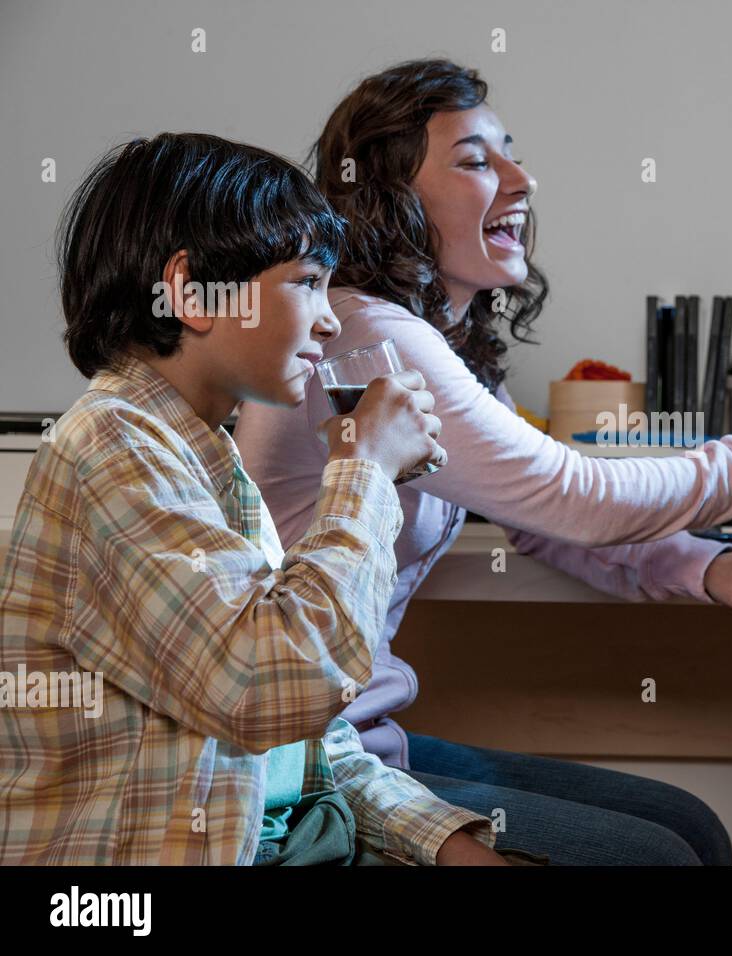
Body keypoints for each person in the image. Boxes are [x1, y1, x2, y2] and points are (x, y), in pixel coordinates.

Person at [234, 59, 732, 866]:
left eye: (510, 154)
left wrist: (697, 566)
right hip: (304, 762)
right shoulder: (368, 336)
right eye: (477, 161)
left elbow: (534, 519)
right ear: (393, 197)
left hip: (364, 738)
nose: (522, 178)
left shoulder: (442, 346)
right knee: (657, 857)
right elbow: (569, 494)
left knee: (691, 827)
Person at [0, 132, 519, 866]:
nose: (331, 317)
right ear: (191, 292)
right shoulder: (113, 447)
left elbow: (311, 744)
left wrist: (443, 842)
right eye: (307, 281)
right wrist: (363, 468)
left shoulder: (210, 459)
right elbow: (269, 685)